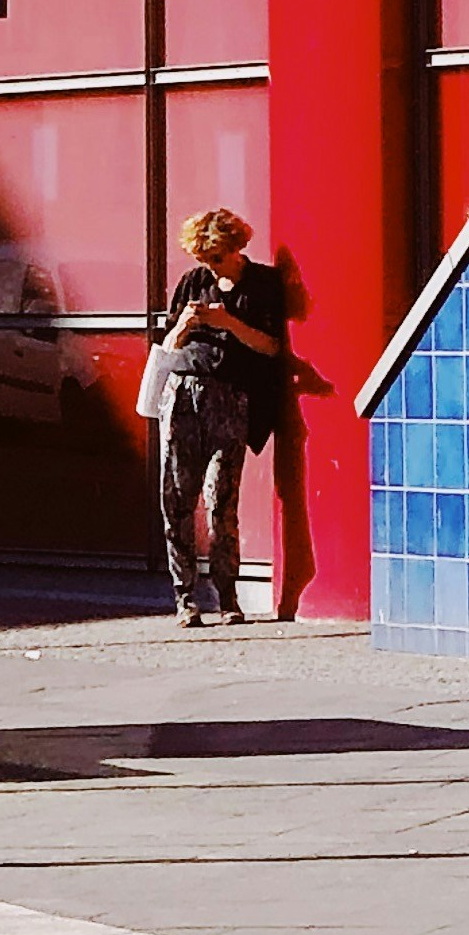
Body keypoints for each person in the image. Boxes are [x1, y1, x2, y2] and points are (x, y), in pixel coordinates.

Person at [156, 208, 287, 628]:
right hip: (184, 391)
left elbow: (270, 347)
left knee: (221, 498)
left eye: (216, 258)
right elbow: (169, 341)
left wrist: (227, 321)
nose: (210, 269)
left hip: (231, 396)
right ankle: (184, 596)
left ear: (236, 248)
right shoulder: (193, 282)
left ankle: (228, 595)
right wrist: (186, 325)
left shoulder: (262, 284)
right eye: (203, 260)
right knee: (176, 493)